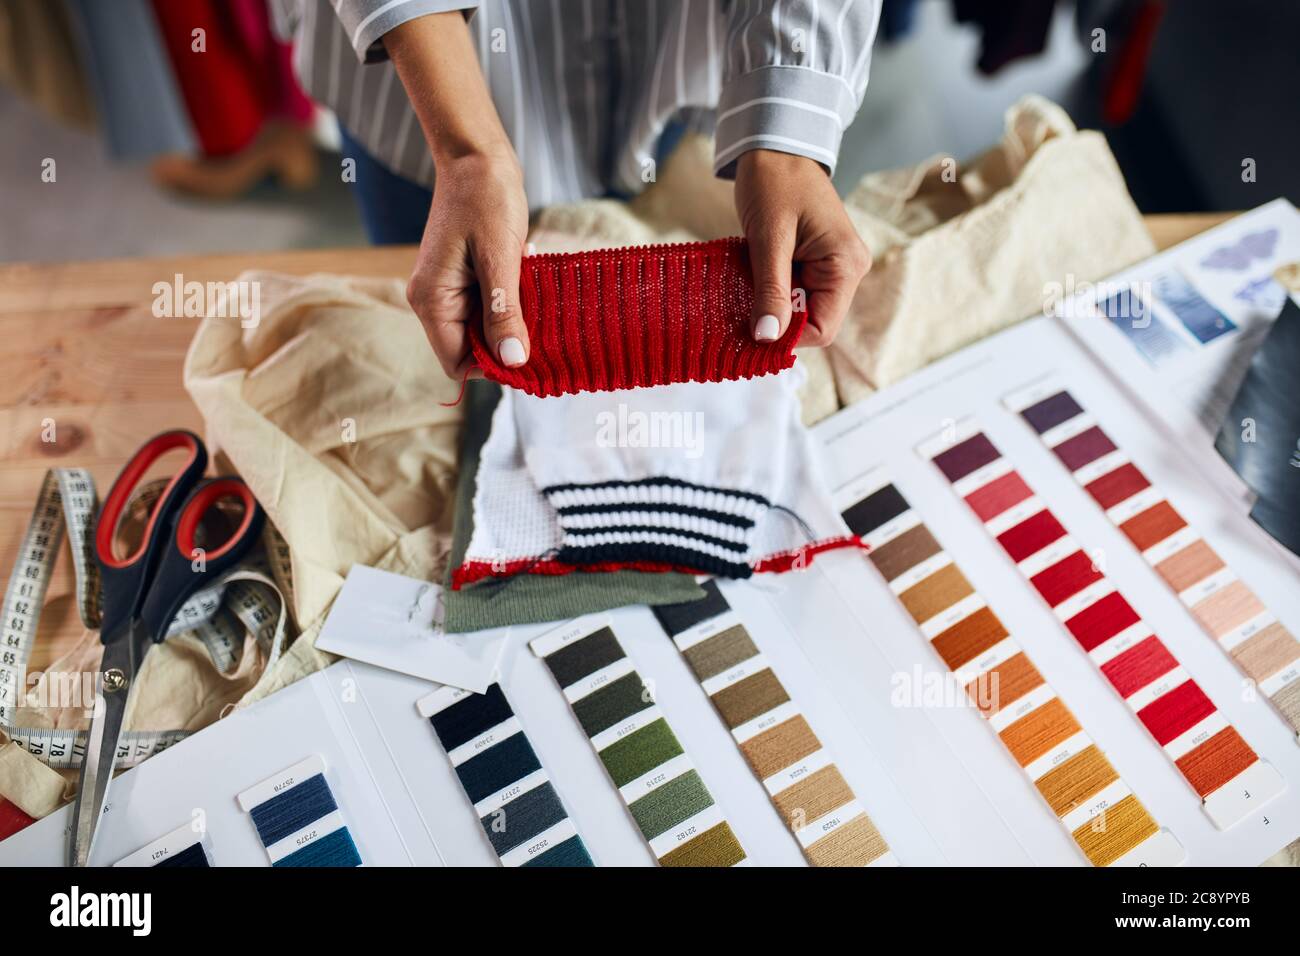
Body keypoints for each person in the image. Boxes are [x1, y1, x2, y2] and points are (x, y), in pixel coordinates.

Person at [275, 1, 879, 379]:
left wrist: (787, 135)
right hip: (421, 107)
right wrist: (467, 152)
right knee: (451, 322)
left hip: (653, 83)